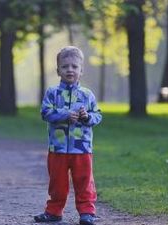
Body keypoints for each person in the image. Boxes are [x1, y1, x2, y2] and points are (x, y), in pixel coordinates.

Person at [34, 46, 102, 225]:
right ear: (58, 71)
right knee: (58, 183)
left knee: (84, 182)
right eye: (65, 67)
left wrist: (87, 117)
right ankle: (54, 212)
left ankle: (87, 213)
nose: (69, 70)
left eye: (74, 66)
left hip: (82, 148)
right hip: (57, 148)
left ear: (81, 70)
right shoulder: (52, 93)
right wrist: (64, 114)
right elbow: (45, 113)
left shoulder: (87, 95)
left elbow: (98, 115)